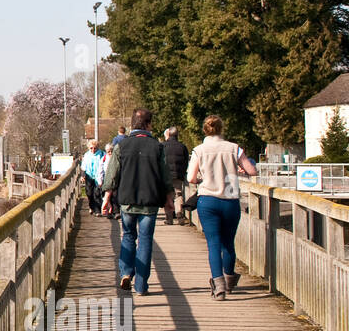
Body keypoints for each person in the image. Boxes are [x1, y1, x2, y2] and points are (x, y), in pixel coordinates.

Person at [187, 114, 258, 300]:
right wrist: (239, 168)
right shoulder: (234, 148)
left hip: (208, 200)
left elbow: (190, 178)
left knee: (213, 244)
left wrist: (203, 178)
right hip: (230, 200)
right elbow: (252, 171)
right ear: (221, 128)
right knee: (228, 243)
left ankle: (218, 286)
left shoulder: (199, 150)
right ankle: (228, 280)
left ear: (205, 129)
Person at [100, 109, 171, 294]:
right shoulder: (157, 147)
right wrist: (169, 200)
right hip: (150, 201)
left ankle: (125, 272)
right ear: (149, 124)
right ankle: (140, 284)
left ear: (132, 124)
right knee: (145, 240)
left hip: (127, 201)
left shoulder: (121, 146)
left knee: (128, 236)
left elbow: (112, 175)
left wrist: (107, 198)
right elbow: (166, 177)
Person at [162, 127, 190, 226]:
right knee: (178, 194)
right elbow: (186, 161)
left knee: (167, 195)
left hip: (166, 175)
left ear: (168, 135)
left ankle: (169, 218)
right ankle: (179, 213)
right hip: (178, 175)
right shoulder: (182, 147)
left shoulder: (163, 146)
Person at [80, 140, 102, 215]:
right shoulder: (87, 155)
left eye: (95, 148)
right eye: (91, 148)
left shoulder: (101, 154)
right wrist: (83, 175)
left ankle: (97, 210)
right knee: (89, 193)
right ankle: (91, 206)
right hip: (89, 175)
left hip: (98, 176)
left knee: (97, 193)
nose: (93, 150)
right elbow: (83, 166)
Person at [101, 143, 119, 217]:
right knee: (108, 197)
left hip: (115, 180)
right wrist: (100, 180)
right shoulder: (104, 158)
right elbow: (100, 169)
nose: (110, 153)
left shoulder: (116, 158)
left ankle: (116, 211)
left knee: (115, 196)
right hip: (106, 179)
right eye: (108, 151)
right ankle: (109, 212)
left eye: (111, 151)